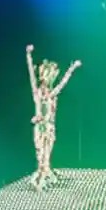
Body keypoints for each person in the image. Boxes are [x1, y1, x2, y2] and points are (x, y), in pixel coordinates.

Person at [26, 44, 82, 189]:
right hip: (40, 127)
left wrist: (72, 68)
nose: (44, 88)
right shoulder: (37, 94)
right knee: (41, 155)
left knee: (46, 155)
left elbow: (63, 82)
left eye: (46, 86)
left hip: (49, 127)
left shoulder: (52, 95)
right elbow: (31, 75)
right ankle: (40, 179)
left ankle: (44, 176)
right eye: (42, 85)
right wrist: (29, 56)